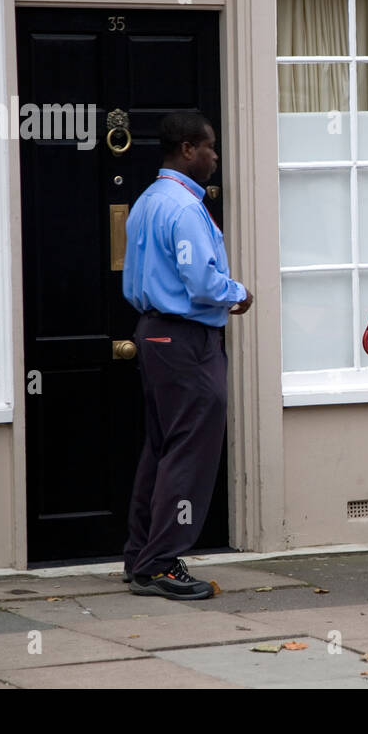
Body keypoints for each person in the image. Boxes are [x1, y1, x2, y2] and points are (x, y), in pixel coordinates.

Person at [121, 111, 252, 600]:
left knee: (162, 448)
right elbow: (201, 283)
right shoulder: (184, 208)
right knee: (190, 454)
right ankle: (161, 564)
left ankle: (140, 557)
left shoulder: (146, 203)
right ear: (188, 150)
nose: (215, 156)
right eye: (210, 147)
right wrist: (239, 292)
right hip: (187, 341)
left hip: (154, 335)